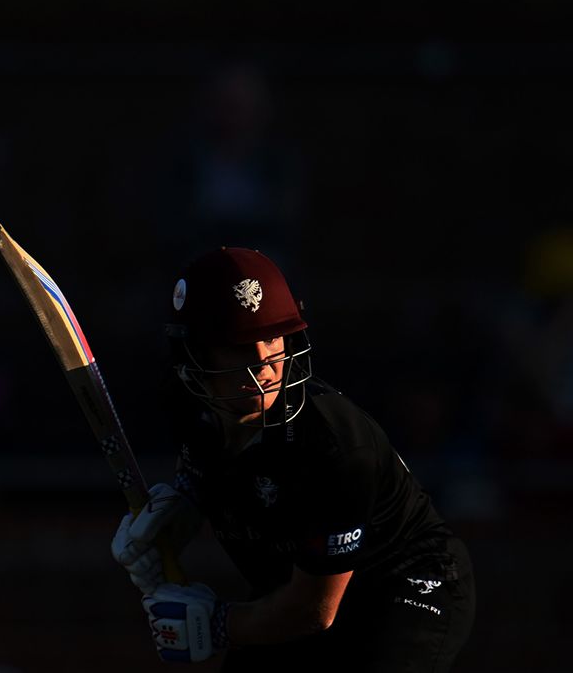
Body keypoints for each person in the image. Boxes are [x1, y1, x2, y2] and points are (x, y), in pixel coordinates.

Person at [110, 246, 475, 670]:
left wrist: (217, 624)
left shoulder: (333, 445)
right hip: (296, 583)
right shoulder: (186, 404)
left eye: (271, 338)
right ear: (195, 356)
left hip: (402, 586)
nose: (263, 364)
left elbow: (312, 612)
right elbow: (213, 472)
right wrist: (177, 515)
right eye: (239, 346)